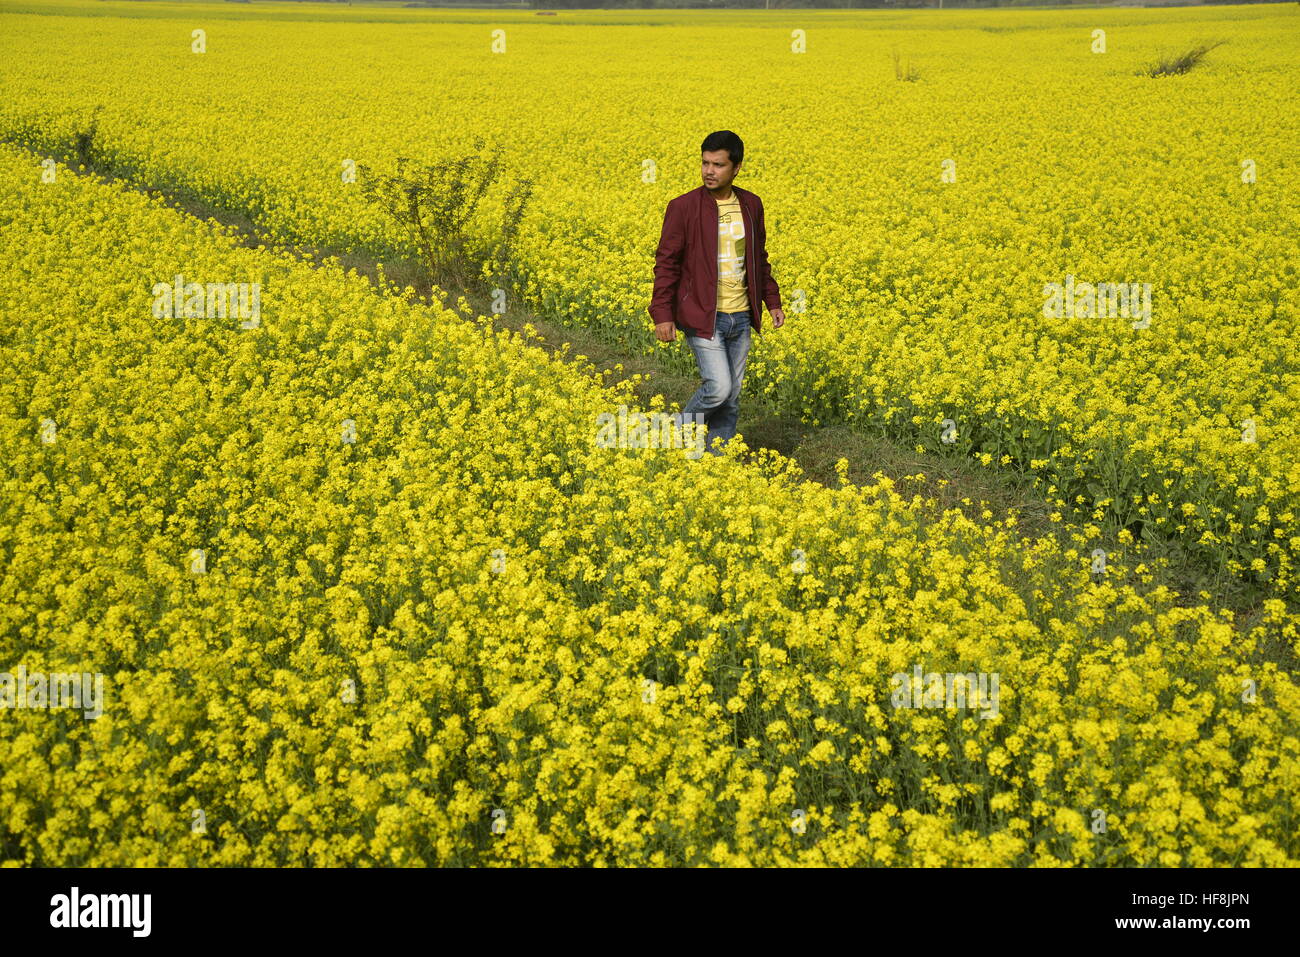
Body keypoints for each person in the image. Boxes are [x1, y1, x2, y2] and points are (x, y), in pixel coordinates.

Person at [648, 130, 785, 457]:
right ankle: (677, 431)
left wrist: (772, 300)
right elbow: (666, 264)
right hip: (702, 314)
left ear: (736, 168)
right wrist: (662, 314)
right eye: (705, 163)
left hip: (740, 315)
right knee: (719, 388)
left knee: (732, 396)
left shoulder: (751, 205)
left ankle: (717, 463)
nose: (709, 171)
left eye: (718, 165)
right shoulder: (683, 207)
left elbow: (758, 257)